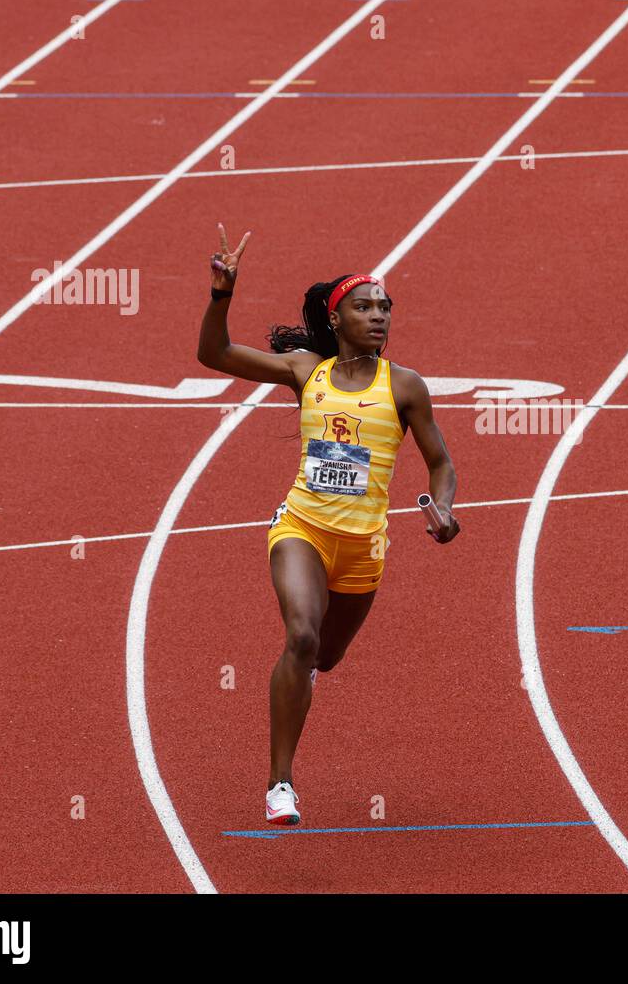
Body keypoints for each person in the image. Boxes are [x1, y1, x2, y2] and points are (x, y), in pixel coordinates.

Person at [196, 224, 461, 823]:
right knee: (302, 638)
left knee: (326, 658)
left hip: (363, 547)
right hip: (303, 529)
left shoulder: (405, 387)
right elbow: (213, 355)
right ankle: (279, 784)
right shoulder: (303, 371)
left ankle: (304, 679)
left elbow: (441, 464)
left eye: (385, 309)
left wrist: (444, 509)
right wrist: (221, 294)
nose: (379, 318)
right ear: (336, 320)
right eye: (364, 308)